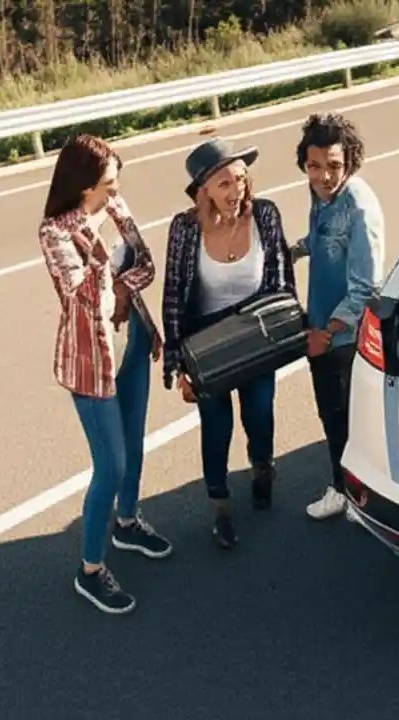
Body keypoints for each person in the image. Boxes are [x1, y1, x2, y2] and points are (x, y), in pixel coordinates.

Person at [38, 134, 174, 615]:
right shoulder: (55, 232)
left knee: (134, 444)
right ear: (85, 185)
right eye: (109, 182)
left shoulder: (115, 206)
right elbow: (75, 290)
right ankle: (90, 570)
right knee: (110, 465)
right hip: (91, 361)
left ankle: (128, 522)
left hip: (133, 340)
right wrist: (105, 261)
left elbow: (147, 266)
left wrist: (121, 282)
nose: (117, 190)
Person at [161, 137, 297, 549]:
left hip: (256, 331)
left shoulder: (266, 215)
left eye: (239, 178)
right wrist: (177, 365)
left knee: (259, 414)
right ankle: (220, 508)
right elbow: (173, 295)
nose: (235, 190)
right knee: (215, 428)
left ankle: (262, 469)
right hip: (206, 341)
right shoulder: (185, 230)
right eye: (223, 183)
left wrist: (291, 329)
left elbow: (281, 277)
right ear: (203, 191)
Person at [288, 113, 385, 521]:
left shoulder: (358, 207)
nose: (324, 176)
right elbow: (322, 236)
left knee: (342, 418)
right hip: (322, 324)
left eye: (333, 166)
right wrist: (294, 250)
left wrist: (326, 334)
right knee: (336, 416)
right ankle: (351, 490)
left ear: (349, 161)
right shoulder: (321, 195)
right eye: (315, 166)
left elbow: (366, 285)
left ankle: (346, 492)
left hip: (342, 338)